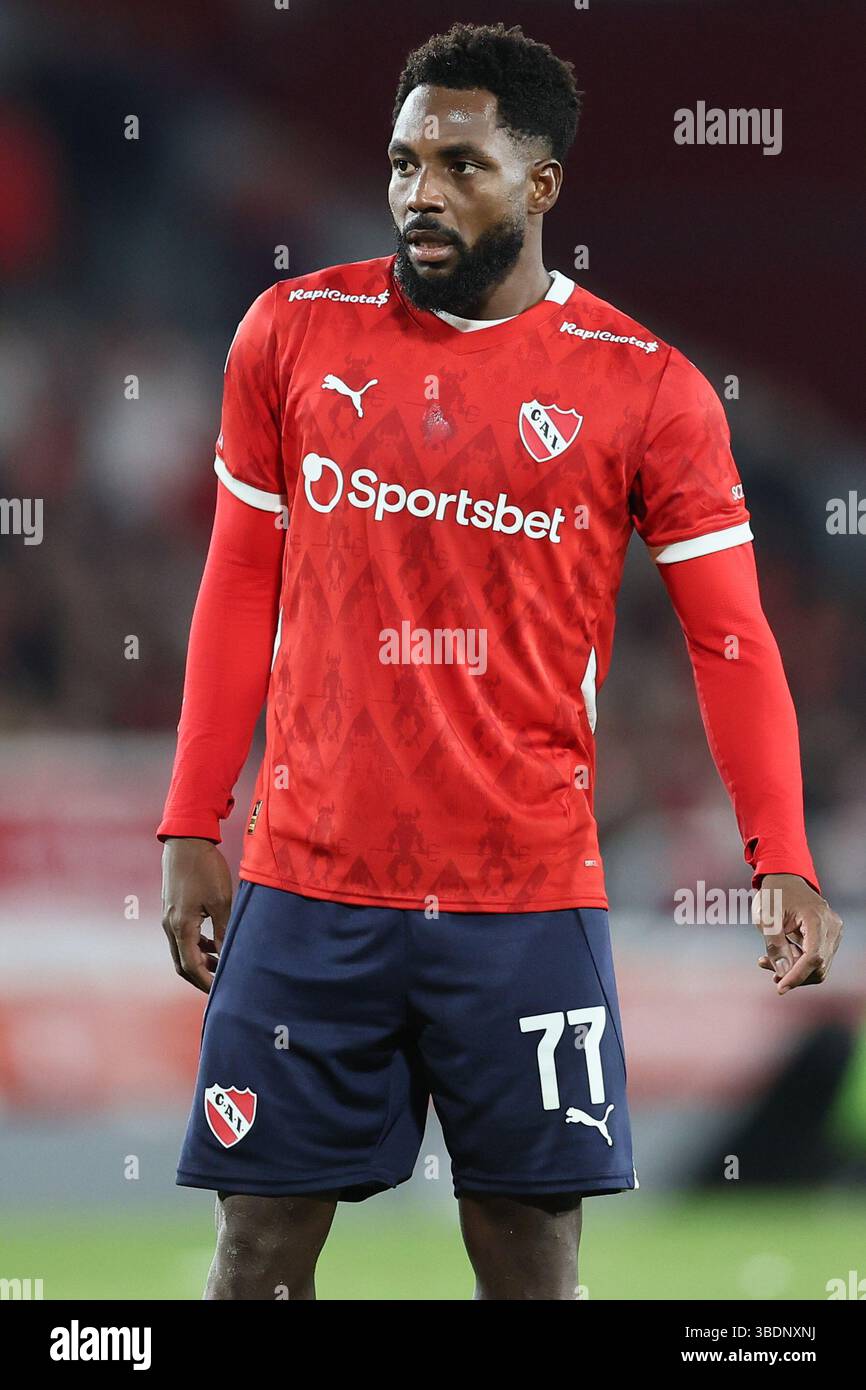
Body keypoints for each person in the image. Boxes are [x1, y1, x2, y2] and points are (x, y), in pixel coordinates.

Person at [158, 22, 842, 1300]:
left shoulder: (647, 388)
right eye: (403, 161)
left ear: (541, 186)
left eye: (459, 164)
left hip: (524, 899)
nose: (420, 191)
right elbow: (237, 580)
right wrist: (191, 819)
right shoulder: (290, 333)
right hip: (309, 887)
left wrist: (782, 854)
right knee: (253, 1256)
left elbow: (730, 635)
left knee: (530, 1257)